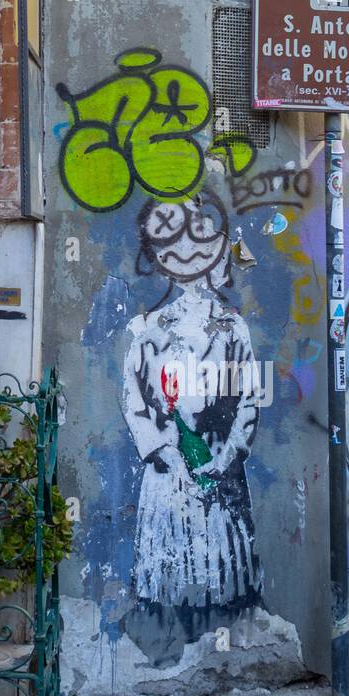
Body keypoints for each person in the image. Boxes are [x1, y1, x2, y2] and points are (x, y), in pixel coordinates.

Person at [120, 191, 264, 661]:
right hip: (168, 473)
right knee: (171, 559)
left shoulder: (234, 328)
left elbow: (249, 399)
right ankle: (171, 637)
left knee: (225, 563)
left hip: (223, 465)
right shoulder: (148, 329)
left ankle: (223, 638)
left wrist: (230, 453)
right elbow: (134, 399)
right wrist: (163, 452)